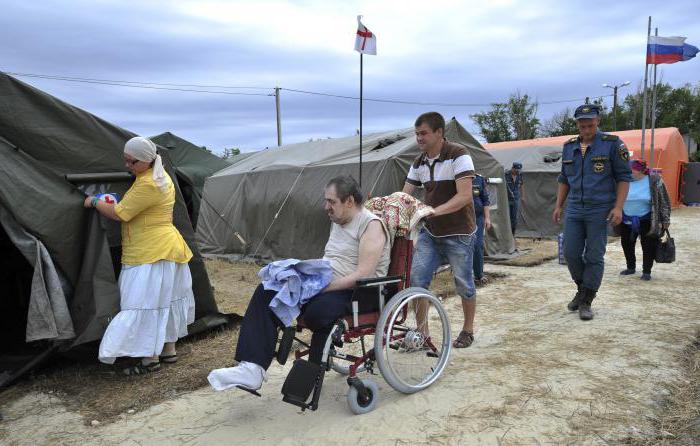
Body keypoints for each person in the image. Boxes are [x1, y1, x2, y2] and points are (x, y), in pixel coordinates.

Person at [208, 176, 390, 393]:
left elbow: (364, 274)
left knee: (316, 313)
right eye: (326, 201)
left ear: (349, 201)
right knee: (267, 290)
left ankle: (311, 366)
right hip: (326, 283)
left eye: (331, 202)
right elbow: (332, 261)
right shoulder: (339, 221)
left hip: (360, 292)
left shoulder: (371, 226)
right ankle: (252, 368)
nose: (326, 207)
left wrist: (321, 288)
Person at [85, 136, 195, 375]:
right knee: (165, 302)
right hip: (168, 248)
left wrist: (94, 201)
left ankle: (150, 359)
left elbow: (120, 213)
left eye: (131, 162)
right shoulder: (159, 175)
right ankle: (168, 351)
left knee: (144, 304)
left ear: (146, 160)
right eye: (125, 160)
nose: (127, 166)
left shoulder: (148, 184)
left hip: (149, 252)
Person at [402, 112, 478, 348]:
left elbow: (465, 196)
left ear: (439, 133)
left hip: (459, 232)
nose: (419, 138)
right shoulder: (418, 162)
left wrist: (434, 211)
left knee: (464, 283)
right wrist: (387, 208)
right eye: (416, 134)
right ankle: (423, 335)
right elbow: (405, 196)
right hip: (431, 232)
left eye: (423, 133)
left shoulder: (459, 155)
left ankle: (467, 330)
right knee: (416, 279)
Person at [552, 104, 632, 321]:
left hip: (600, 208)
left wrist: (618, 207)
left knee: (594, 255)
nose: (586, 129)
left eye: (590, 124)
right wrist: (559, 205)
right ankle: (582, 289)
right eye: (582, 125)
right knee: (570, 252)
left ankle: (587, 301)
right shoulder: (569, 147)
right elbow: (564, 179)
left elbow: (624, 177)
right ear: (577, 123)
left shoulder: (612, 145)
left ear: (598, 121)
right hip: (575, 207)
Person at [617, 159, 671, 280]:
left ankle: (647, 271)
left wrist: (665, 220)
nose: (628, 173)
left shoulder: (654, 180)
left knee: (648, 246)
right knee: (626, 244)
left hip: (647, 219)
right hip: (626, 218)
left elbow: (664, 201)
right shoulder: (622, 180)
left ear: (641, 170)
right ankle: (630, 267)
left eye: (631, 170)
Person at [472, 174, 492, 285]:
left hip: (478, 217)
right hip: (463, 218)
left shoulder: (479, 179)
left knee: (478, 244)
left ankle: (478, 275)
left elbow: (485, 200)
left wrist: (487, 218)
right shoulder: (456, 178)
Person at [505, 162, 524, 237]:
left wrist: (522, 196)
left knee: (514, 218)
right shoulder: (506, 175)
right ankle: (507, 234)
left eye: (518, 170)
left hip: (516, 198)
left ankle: (512, 234)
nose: (517, 171)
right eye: (516, 170)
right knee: (507, 216)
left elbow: (522, 184)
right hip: (507, 199)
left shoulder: (520, 175)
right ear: (512, 168)